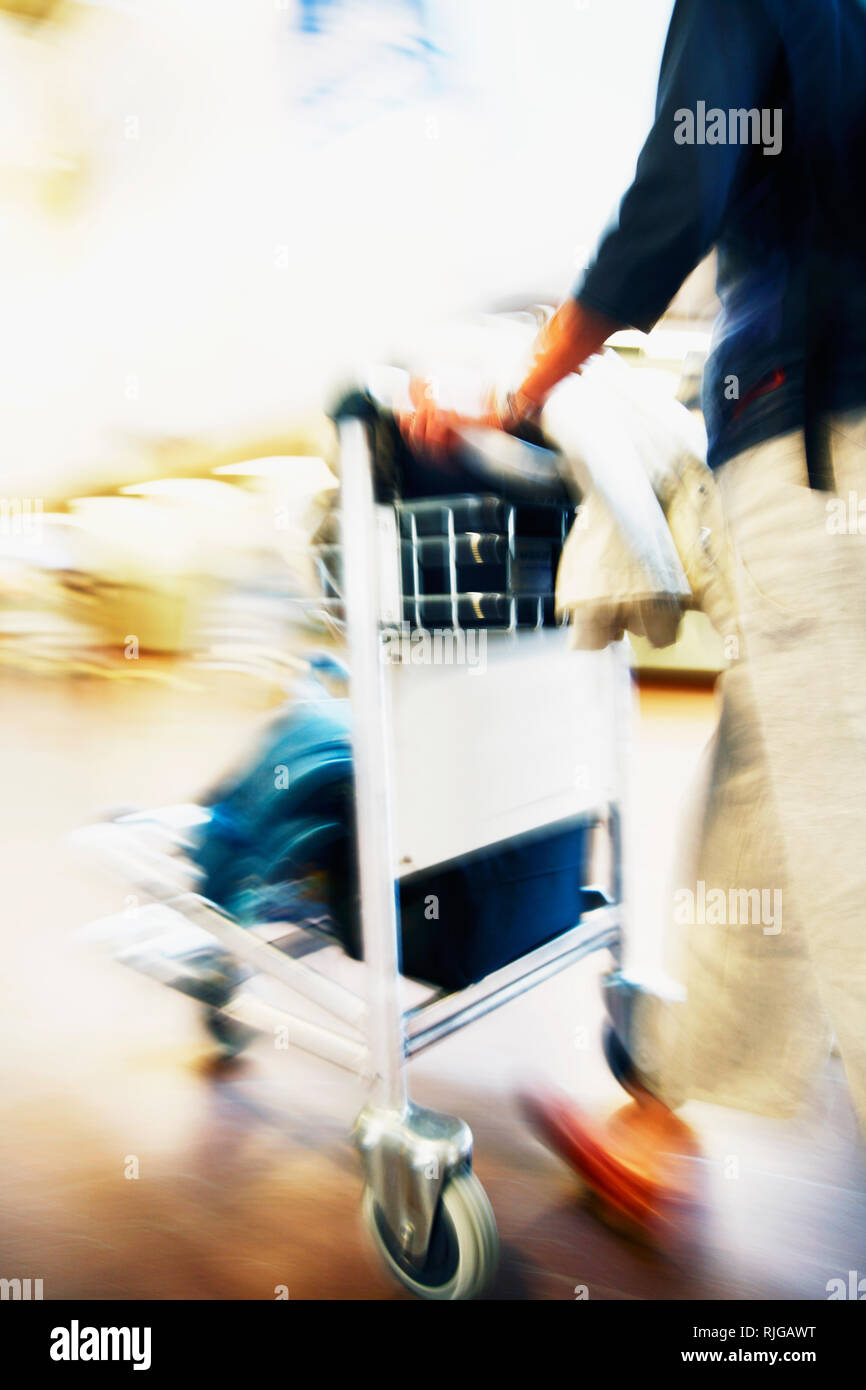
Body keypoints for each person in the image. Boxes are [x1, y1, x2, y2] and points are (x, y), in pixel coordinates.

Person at [401, 0, 866, 1238]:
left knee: (843, 826)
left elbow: (678, 183)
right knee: (772, 780)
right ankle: (657, 1108)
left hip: (826, 444)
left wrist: (529, 380)